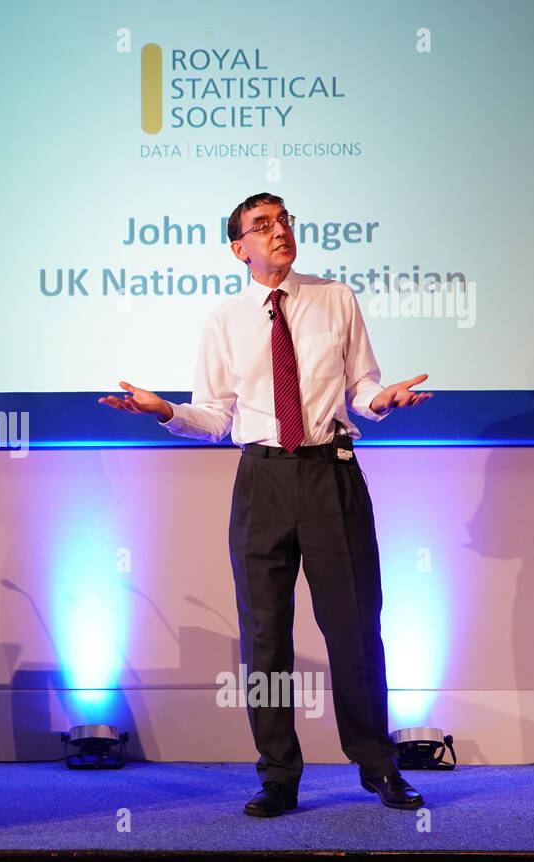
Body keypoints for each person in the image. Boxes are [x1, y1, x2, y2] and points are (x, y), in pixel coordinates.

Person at [100, 192, 432, 817]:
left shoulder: (336, 297)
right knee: (265, 638)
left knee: (356, 628)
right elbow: (215, 415)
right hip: (262, 480)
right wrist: (165, 410)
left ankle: (377, 766)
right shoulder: (224, 322)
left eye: (284, 222)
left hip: (331, 473)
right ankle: (279, 775)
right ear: (239, 248)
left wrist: (383, 399)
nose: (278, 232)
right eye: (262, 226)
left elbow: (361, 387)